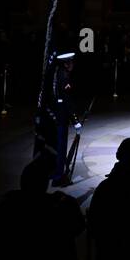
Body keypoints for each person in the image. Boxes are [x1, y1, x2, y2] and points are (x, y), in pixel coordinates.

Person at [50, 51, 82, 187]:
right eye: (71, 62)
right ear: (66, 64)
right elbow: (67, 100)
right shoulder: (65, 77)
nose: (72, 65)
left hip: (57, 113)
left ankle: (57, 172)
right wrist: (75, 120)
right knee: (61, 148)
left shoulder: (58, 73)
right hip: (62, 115)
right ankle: (58, 177)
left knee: (58, 147)